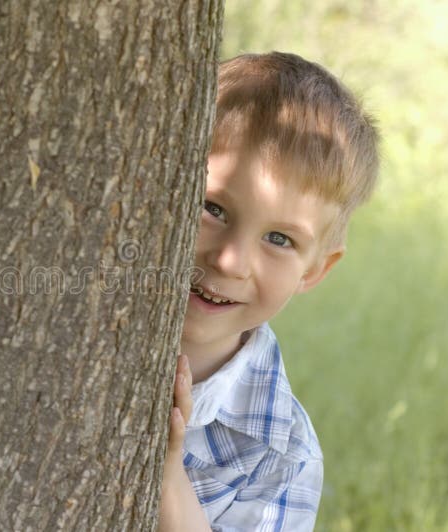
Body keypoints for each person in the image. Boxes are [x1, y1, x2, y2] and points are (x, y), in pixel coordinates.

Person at [158, 51, 380, 531]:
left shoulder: (284, 458)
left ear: (316, 270)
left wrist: (163, 474)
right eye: (212, 208)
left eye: (280, 239)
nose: (229, 261)